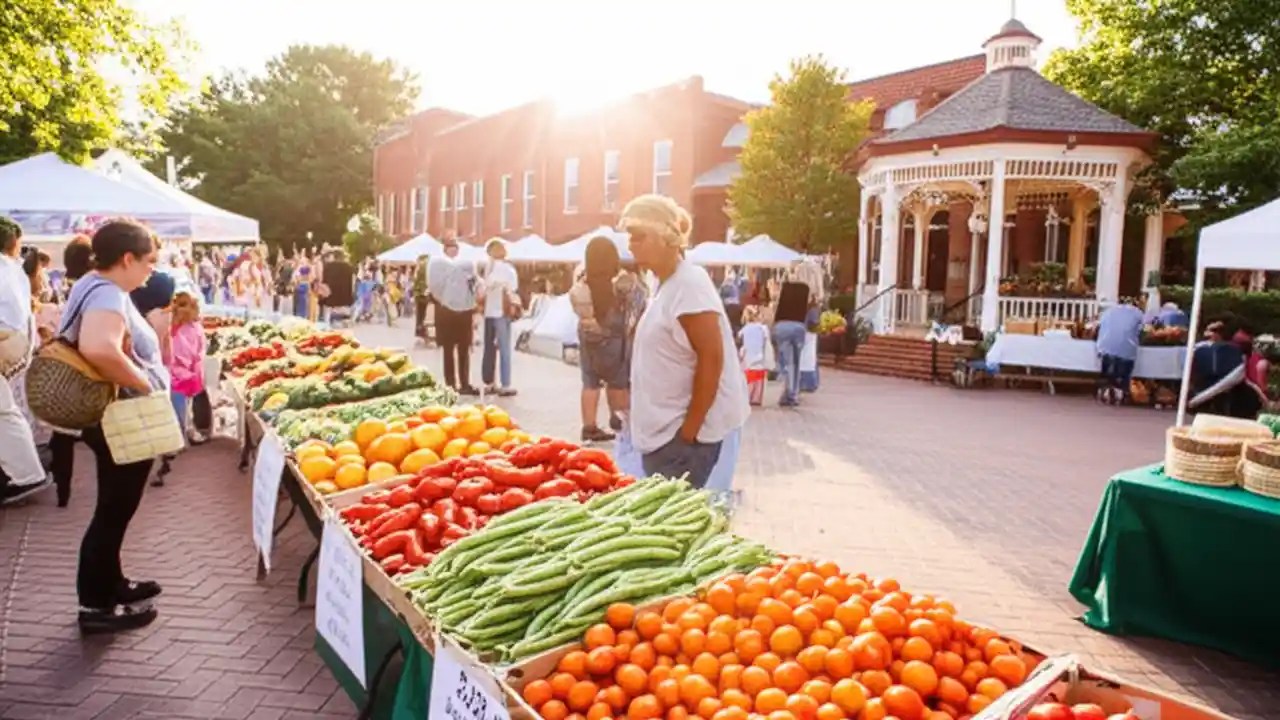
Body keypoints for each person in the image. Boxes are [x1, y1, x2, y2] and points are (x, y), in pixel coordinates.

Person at [61, 220, 169, 633]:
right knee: (113, 510)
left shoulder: (91, 283)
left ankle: (111, 583)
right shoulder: (107, 291)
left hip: (108, 415)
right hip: (119, 416)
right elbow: (97, 347)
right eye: (148, 262)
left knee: (114, 508)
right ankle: (95, 605)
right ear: (127, 259)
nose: (150, 273)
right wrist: (145, 385)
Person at [621, 195, 749, 488]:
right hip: (664, 439)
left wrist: (690, 432)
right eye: (629, 237)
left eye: (639, 236)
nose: (631, 244)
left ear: (667, 237)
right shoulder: (664, 284)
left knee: (673, 529)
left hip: (682, 444)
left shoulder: (689, 283)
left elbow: (712, 358)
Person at [570, 236, 647, 441]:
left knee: (590, 382)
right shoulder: (622, 283)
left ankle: (589, 426)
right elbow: (639, 305)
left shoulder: (582, 282)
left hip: (588, 336)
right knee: (618, 382)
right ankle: (620, 423)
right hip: (614, 338)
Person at [0, 217, 52, 505]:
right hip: (16, 341)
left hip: (4, 337)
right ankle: (24, 472)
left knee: (3, 412)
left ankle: (25, 475)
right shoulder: (13, 269)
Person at [157, 291, 204, 488]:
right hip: (187, 374)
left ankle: (177, 441)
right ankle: (181, 437)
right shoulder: (194, 328)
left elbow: (172, 353)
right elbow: (196, 352)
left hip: (174, 375)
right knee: (182, 406)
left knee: (177, 407)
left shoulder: (172, 327)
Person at [428, 237, 479, 395]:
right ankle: (450, 384)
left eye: (455, 247)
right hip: (446, 311)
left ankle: (464, 383)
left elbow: (475, 283)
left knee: (464, 348)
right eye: (450, 247)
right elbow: (434, 286)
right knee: (448, 349)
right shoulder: (438, 264)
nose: (453, 250)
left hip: (464, 311)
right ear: (445, 249)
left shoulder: (466, 265)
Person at [479, 238, 519, 396]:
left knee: (490, 348)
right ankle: (505, 383)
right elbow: (514, 287)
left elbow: (486, 284)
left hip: (492, 311)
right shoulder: (508, 269)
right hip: (501, 312)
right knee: (504, 348)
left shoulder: (493, 268)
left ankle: (490, 382)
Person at [1095, 298, 1144, 405]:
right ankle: (1122, 390)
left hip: (1105, 345)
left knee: (1107, 366)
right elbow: (1143, 330)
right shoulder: (1138, 313)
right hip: (1127, 348)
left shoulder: (1108, 311)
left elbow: (1098, 327)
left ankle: (1105, 388)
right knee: (1125, 368)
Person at [771, 280, 811, 407]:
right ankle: (793, 393)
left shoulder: (785, 294)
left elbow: (776, 314)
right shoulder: (804, 291)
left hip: (782, 327)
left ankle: (787, 393)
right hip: (799, 327)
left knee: (786, 362)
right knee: (796, 362)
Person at [738, 306, 769, 406]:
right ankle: (756, 398)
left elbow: (739, 340)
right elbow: (766, 341)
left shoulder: (744, 329)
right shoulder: (762, 328)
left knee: (749, 377)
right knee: (759, 378)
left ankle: (747, 396)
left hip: (748, 357)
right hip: (760, 356)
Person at [413, 254, 430, 343]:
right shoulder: (425, 266)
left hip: (420, 294)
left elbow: (415, 281)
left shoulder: (420, 267)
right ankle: (422, 329)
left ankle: (420, 329)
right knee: (424, 314)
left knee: (420, 314)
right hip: (425, 293)